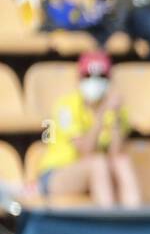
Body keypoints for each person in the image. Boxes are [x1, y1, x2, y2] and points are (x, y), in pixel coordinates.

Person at [38, 50, 141, 207]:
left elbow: (116, 152)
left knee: (122, 161)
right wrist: (102, 113)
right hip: (58, 173)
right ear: (79, 78)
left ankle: (135, 222)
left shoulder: (118, 110)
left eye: (101, 76)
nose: (95, 81)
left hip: (99, 174)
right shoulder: (66, 107)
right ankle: (107, 223)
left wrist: (115, 117)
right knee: (97, 163)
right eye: (88, 76)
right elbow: (85, 150)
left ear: (109, 79)